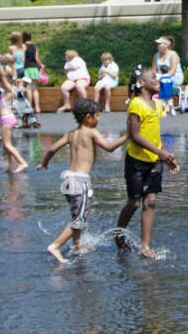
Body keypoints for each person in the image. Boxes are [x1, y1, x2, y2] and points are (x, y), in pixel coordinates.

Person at [38, 97, 128, 264]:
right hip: (80, 181)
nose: (98, 119)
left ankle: (77, 244)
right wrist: (128, 136)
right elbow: (109, 148)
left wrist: (44, 164)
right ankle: (56, 245)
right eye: (97, 116)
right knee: (80, 219)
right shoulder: (91, 132)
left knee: (77, 214)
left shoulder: (71, 134)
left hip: (67, 179)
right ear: (88, 117)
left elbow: (51, 149)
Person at [117, 68, 180, 258]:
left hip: (154, 161)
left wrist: (166, 157)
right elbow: (135, 136)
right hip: (136, 161)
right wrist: (160, 152)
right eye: (153, 78)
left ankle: (145, 247)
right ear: (140, 83)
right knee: (134, 203)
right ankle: (118, 234)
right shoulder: (136, 104)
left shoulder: (156, 105)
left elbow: (154, 136)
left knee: (150, 202)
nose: (157, 80)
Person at [0, 57, 29, 173]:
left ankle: (22, 162)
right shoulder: (9, 89)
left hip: (6, 119)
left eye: (0, 81)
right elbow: (10, 75)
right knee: (7, 144)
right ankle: (10, 166)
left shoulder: (9, 90)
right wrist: (13, 65)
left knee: (7, 144)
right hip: (8, 118)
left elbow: (4, 76)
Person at [22, 31, 44, 115]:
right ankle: (37, 107)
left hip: (27, 68)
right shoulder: (34, 46)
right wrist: (41, 64)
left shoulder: (23, 46)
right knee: (34, 88)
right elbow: (37, 58)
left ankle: (29, 106)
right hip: (34, 68)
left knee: (28, 88)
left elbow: (23, 59)